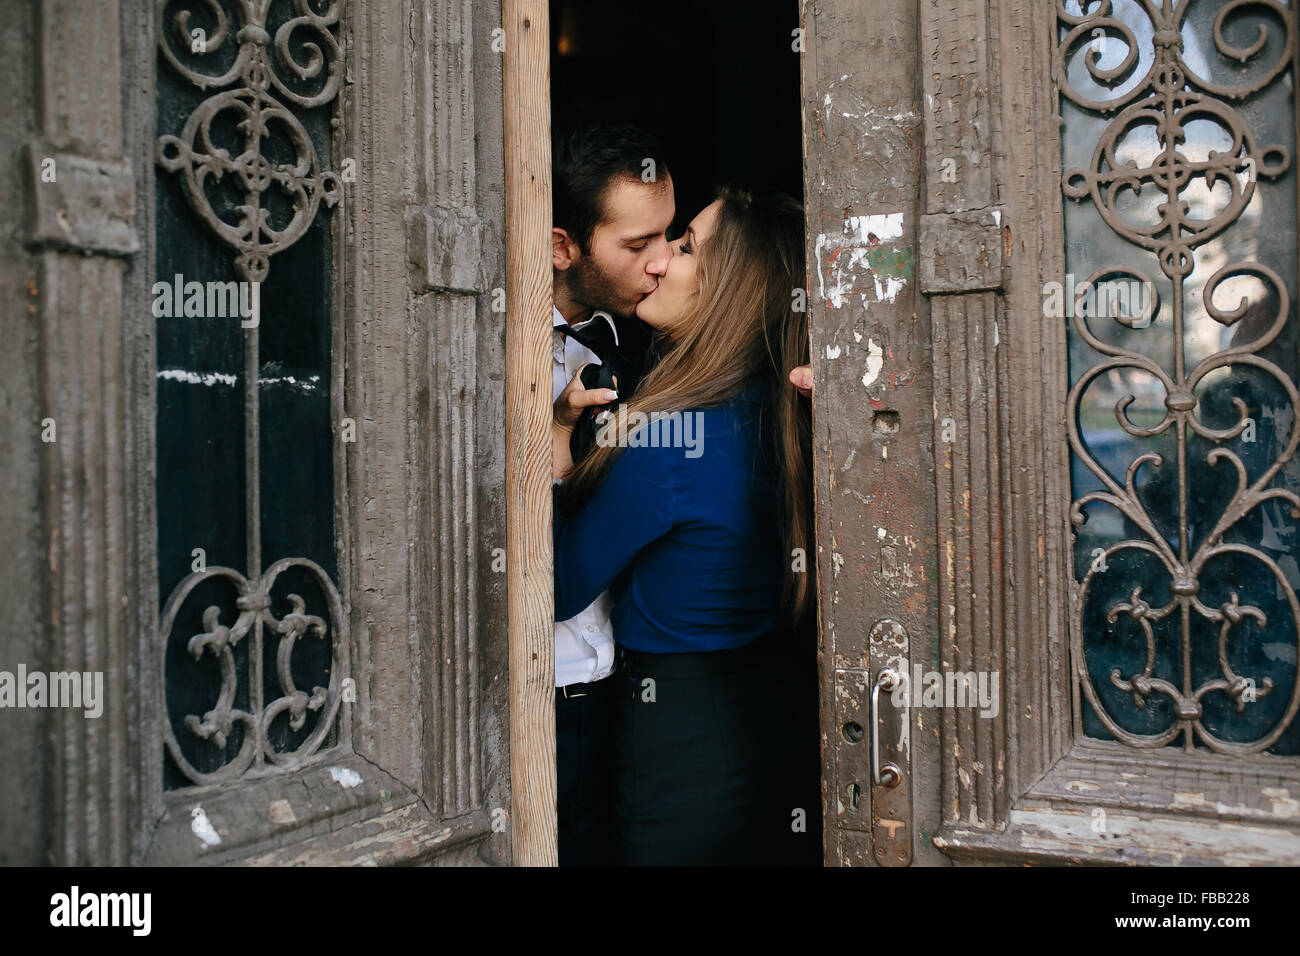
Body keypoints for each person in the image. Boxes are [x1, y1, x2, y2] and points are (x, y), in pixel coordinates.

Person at [552, 186, 822, 866]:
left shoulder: (674, 439)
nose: (660, 262)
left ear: (725, 289)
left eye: (683, 246)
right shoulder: (782, 409)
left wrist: (556, 437)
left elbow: (552, 589)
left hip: (680, 745)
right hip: (772, 719)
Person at [548, 120, 675, 866]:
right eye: (636, 245)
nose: (660, 264)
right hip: (527, 689)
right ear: (565, 246)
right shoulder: (483, 345)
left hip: (615, 684)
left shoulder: (637, 341)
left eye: (668, 237)